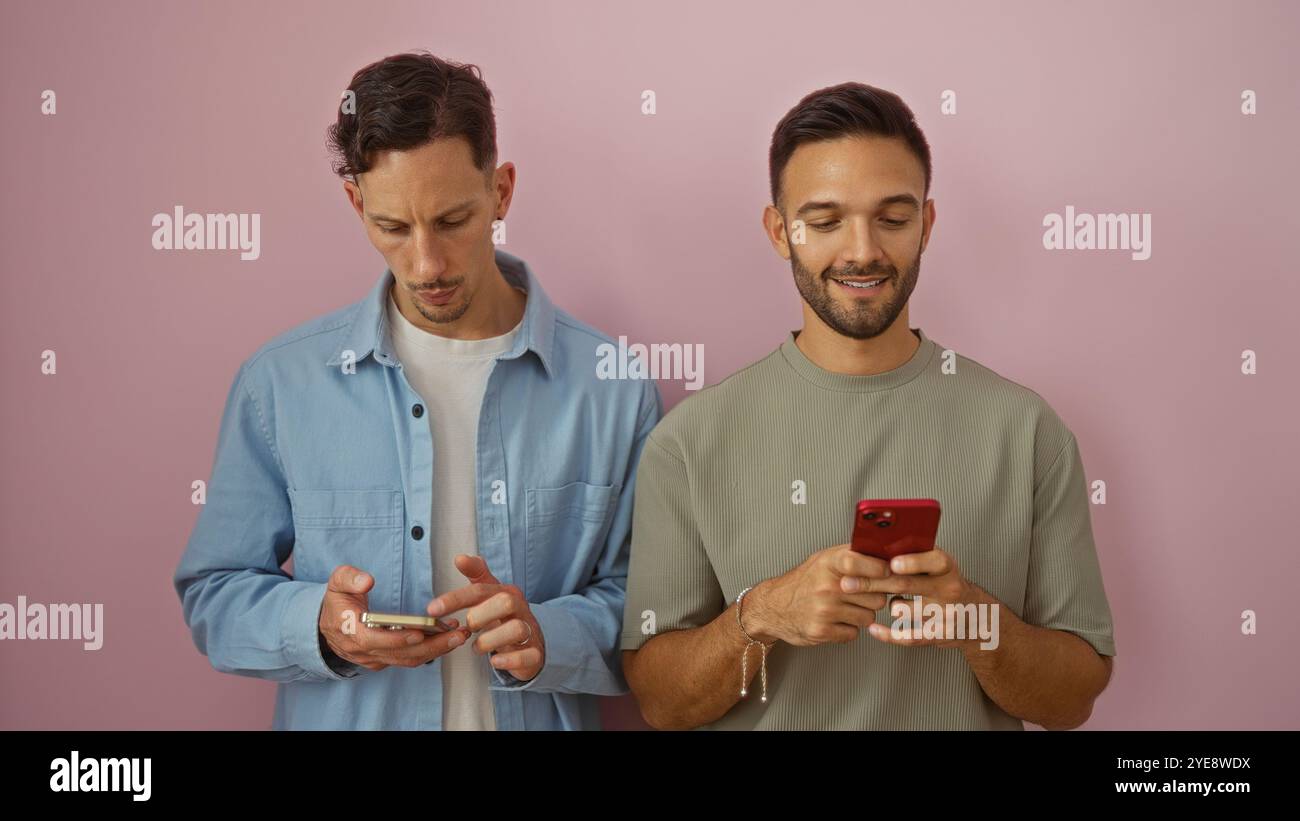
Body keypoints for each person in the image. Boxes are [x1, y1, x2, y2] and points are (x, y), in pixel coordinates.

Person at [174, 51, 660, 730]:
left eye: (453, 220)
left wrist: (550, 635)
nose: (427, 264)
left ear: (503, 190)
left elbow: (652, 615)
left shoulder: (613, 386)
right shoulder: (279, 385)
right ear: (356, 203)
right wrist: (318, 623)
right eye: (393, 228)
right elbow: (214, 593)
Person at [620, 82, 1115, 730]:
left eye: (893, 217)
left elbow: (1072, 699)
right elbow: (660, 701)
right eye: (826, 221)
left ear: (927, 225)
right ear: (779, 230)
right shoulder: (686, 443)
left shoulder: (1027, 433)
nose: (862, 251)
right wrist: (762, 613)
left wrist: (974, 619)